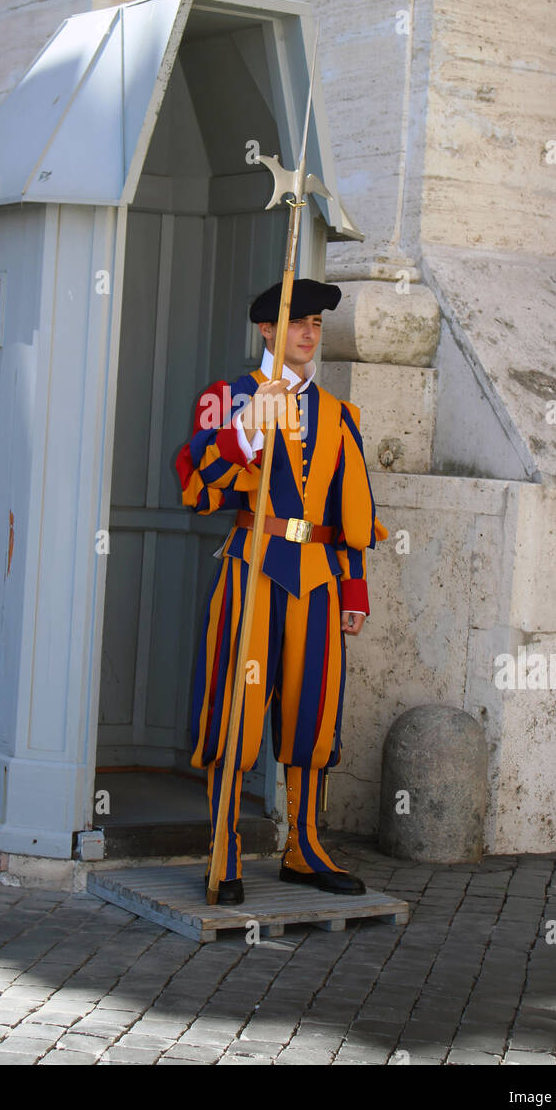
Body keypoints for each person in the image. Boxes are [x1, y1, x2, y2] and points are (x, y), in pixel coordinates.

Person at [175, 278, 389, 905]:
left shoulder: (337, 414)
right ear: (267, 330)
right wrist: (247, 428)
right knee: (233, 712)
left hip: (319, 578)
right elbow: (197, 482)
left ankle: (304, 847)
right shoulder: (228, 397)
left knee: (312, 715)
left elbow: (351, 513)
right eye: (298, 321)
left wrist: (354, 591)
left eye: (317, 324)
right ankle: (224, 849)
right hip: (254, 566)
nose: (308, 333)